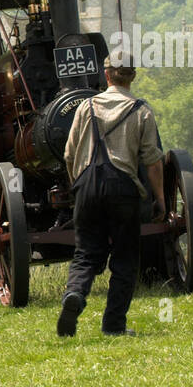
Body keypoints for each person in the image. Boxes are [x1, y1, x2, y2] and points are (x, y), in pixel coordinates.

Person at [57, 53, 165, 337]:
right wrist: (160, 200)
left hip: (87, 185)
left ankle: (75, 296)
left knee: (85, 253)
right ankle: (113, 325)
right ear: (132, 76)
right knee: (125, 258)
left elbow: (69, 154)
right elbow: (152, 162)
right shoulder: (142, 110)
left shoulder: (86, 106)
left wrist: (77, 187)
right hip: (123, 188)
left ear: (106, 76)